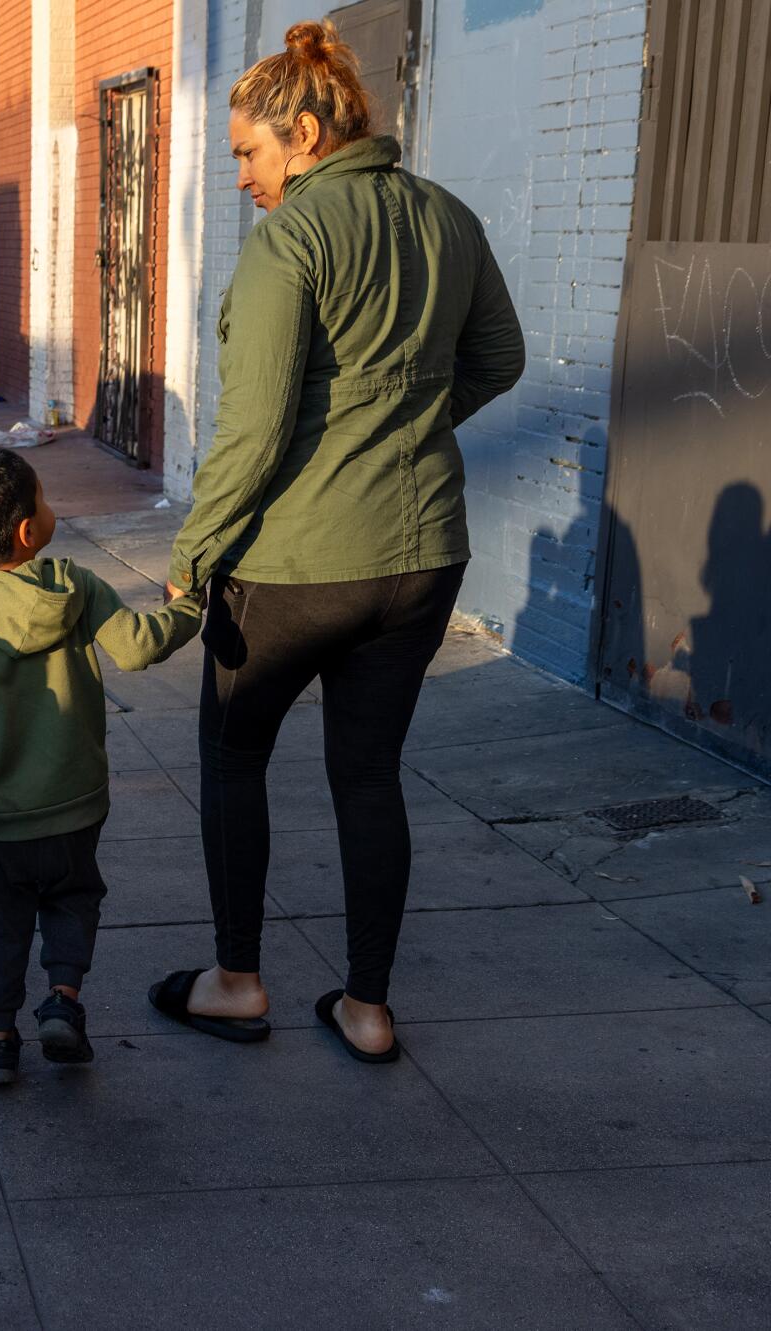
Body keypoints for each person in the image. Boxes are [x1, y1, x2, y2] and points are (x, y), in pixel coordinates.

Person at [150, 20, 525, 1062]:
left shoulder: (293, 240)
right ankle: (365, 1007)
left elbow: (256, 425)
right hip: (419, 559)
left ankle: (233, 979)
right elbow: (499, 355)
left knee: (231, 753)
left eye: (246, 154)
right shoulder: (443, 215)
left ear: (303, 133)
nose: (240, 179)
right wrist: (403, 429)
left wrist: (195, 549)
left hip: (293, 565)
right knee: (366, 774)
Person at [0, 448, 203, 1083]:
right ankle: (63, 1001)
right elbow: (138, 647)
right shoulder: (78, 585)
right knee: (73, 897)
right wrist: (186, 606)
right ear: (25, 529)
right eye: (43, 498)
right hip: (77, 802)